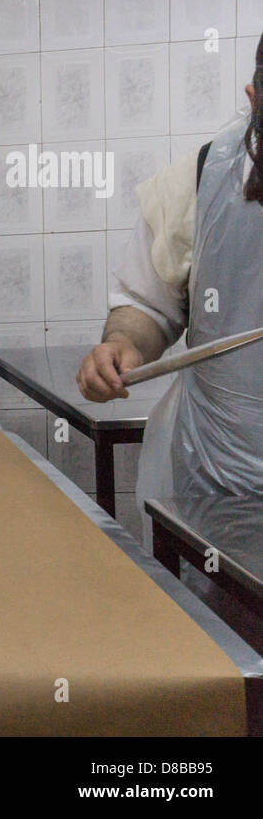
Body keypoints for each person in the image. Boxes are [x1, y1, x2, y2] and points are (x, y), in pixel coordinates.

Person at [77, 32, 263, 510]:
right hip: (219, 484)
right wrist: (122, 346)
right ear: (254, 97)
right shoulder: (202, 178)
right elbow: (145, 304)